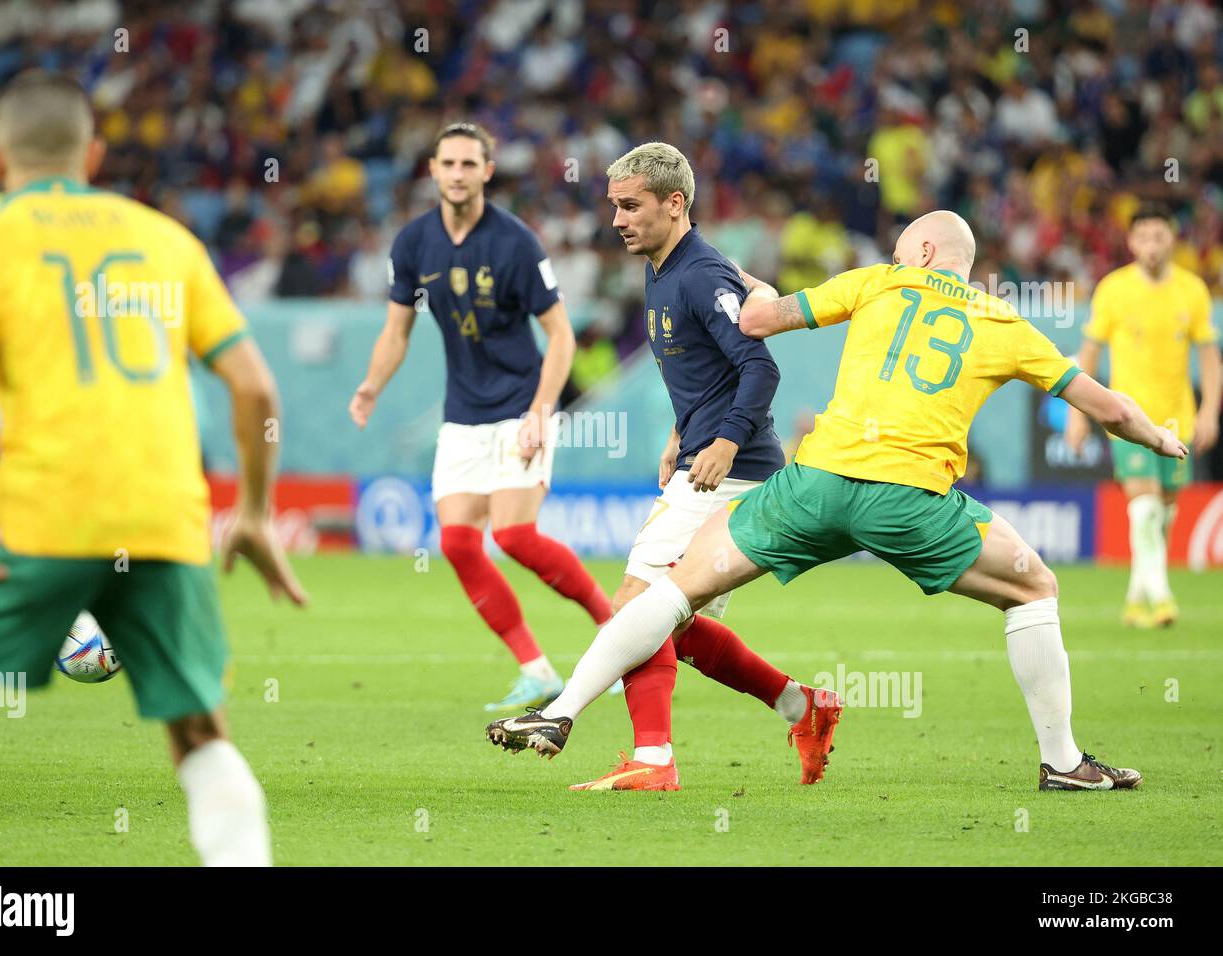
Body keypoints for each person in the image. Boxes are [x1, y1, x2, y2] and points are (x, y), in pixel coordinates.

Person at [490, 210, 1187, 792]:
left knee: (672, 593)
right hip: (908, 499)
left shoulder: (878, 281)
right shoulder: (1004, 322)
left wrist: (743, 281)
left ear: (919, 251)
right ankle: (1063, 763)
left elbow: (760, 321)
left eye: (898, 248)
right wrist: (1156, 435)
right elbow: (1105, 407)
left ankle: (563, 709)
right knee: (1034, 588)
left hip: (811, 485)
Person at [0, 70, 307, 865]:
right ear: (94, 154)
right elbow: (255, 385)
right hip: (165, 518)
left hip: (42, 511)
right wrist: (258, 514)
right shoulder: (166, 239)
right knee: (199, 731)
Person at [499, 142, 843, 793]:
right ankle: (803, 706)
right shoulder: (664, 266)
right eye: (614, 207)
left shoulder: (699, 274)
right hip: (709, 457)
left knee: (635, 605)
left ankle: (632, 750)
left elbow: (758, 366)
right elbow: (707, 369)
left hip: (730, 472)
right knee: (672, 629)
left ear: (674, 203)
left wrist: (725, 442)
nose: (617, 220)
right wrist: (682, 429)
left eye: (630, 206)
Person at [349, 123, 611, 711]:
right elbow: (397, 330)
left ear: (488, 171)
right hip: (462, 416)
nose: (459, 173)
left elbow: (561, 337)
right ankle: (536, 669)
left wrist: (543, 411)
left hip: (522, 406)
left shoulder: (516, 243)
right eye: (449, 163)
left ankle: (617, 632)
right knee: (459, 545)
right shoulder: (413, 244)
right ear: (434, 171)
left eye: (470, 163)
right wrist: (371, 385)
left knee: (514, 536)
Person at [1065, 203, 1220, 628]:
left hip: (1178, 418)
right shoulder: (1113, 289)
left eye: (1159, 236)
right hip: (1128, 419)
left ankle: (1137, 596)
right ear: (1131, 242)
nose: (1152, 245)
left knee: (1164, 513)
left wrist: (1209, 411)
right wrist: (1079, 416)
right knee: (1145, 508)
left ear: (1173, 239)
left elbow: (1209, 359)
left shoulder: (1192, 290)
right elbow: (1089, 354)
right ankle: (1163, 596)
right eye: (1143, 237)